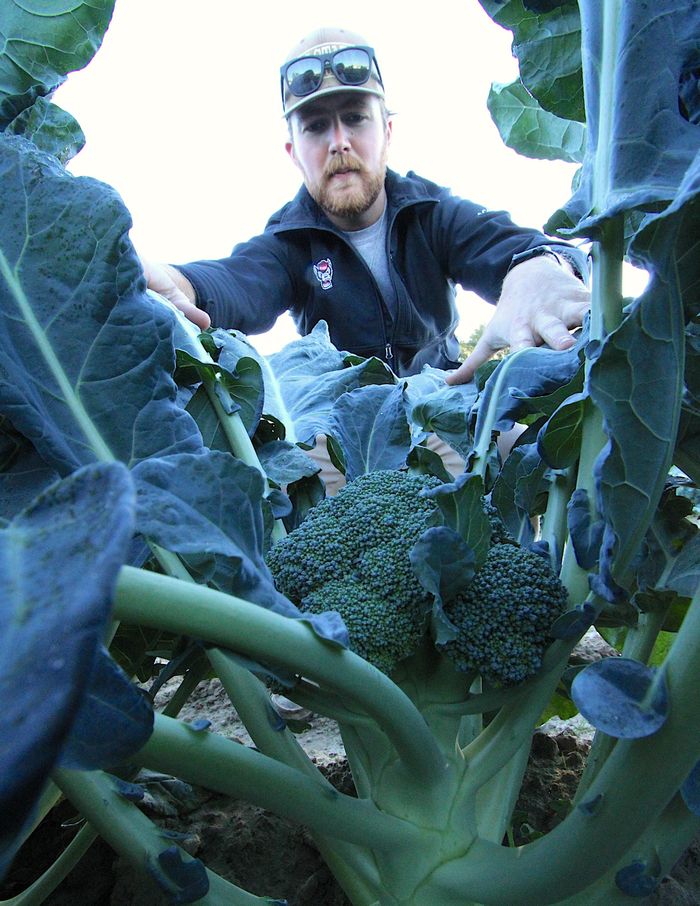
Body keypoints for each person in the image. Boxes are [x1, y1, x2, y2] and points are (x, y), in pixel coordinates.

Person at [142, 26, 590, 390]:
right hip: (338, 425)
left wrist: (542, 269)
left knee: (513, 439)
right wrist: (180, 284)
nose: (339, 142)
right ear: (294, 153)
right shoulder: (289, 243)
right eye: (316, 127)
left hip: (445, 399)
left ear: (388, 133)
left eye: (355, 117)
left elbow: (514, 248)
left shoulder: (433, 214)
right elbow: (239, 280)